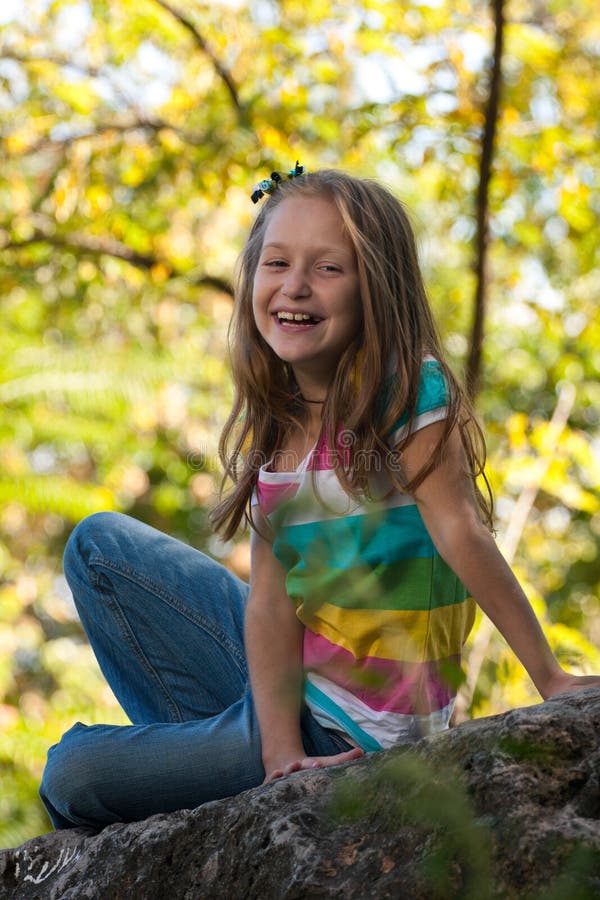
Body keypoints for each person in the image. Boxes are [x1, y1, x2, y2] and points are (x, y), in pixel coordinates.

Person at [40, 166, 599, 829]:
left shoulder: (401, 393)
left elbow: (460, 531)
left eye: (328, 269)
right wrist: (279, 753)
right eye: (276, 263)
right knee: (99, 545)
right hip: (290, 700)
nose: (294, 286)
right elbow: (271, 603)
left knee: (70, 771)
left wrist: (550, 677)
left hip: (353, 736)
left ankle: (217, 766)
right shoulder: (277, 426)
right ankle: (241, 764)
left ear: (376, 289)